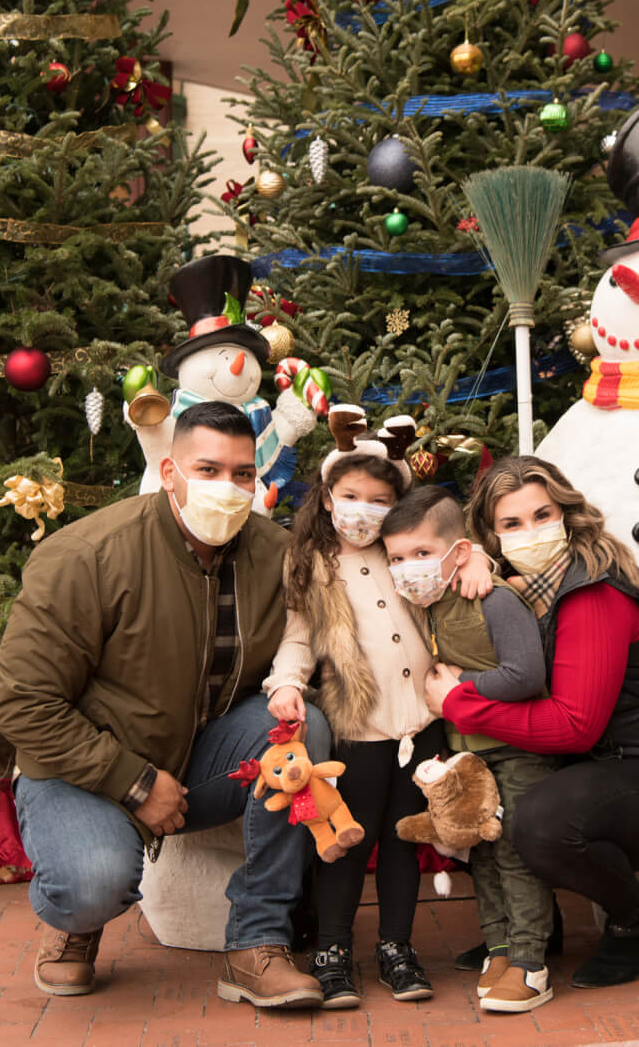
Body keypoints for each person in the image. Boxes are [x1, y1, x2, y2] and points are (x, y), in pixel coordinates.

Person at [0, 398, 328, 1009]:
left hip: (204, 754)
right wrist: (136, 782)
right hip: (82, 768)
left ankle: (258, 943)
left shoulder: (273, 554)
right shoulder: (87, 556)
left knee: (303, 734)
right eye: (207, 470)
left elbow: (319, 637)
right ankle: (75, 921)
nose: (227, 488)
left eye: (242, 473)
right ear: (170, 472)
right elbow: (22, 704)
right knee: (93, 881)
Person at [424, 455, 639, 989]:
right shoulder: (514, 584)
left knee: (540, 822)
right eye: (511, 524)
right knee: (471, 798)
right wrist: (477, 558)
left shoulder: (593, 590)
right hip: (577, 773)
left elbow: (576, 727)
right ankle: (533, 928)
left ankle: (636, 922)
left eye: (542, 515)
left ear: (567, 514)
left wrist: (458, 702)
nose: (530, 532)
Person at [263, 408, 490, 1008]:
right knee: (350, 839)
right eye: (351, 495)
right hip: (359, 726)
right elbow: (297, 633)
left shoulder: (406, 550)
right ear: (329, 495)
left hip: (422, 719)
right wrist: (287, 681)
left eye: (380, 497)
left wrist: (479, 560)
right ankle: (334, 949)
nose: (364, 507)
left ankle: (397, 946)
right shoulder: (310, 559)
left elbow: (455, 562)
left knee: (402, 838)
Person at [380, 486, 558, 1014]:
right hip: (465, 759)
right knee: (480, 854)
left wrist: (464, 689)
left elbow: (526, 675)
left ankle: (531, 962)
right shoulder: (425, 605)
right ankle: (499, 949)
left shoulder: (493, 598)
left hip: (515, 750)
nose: (408, 568)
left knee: (515, 852)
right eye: (396, 558)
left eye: (421, 554)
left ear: (457, 552)